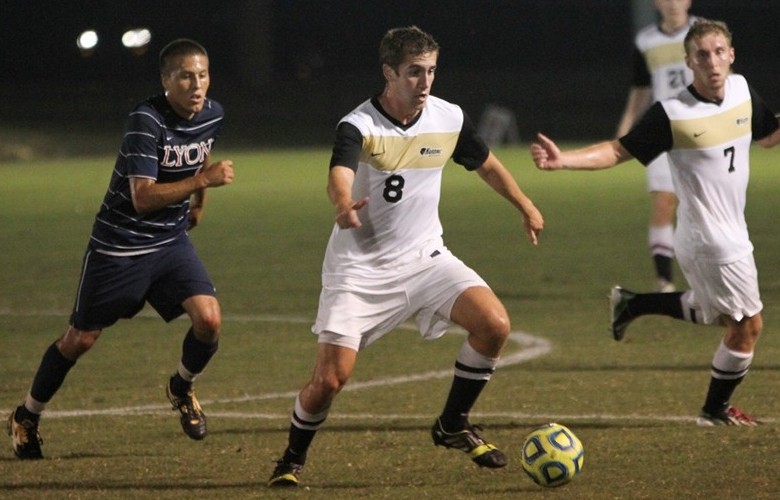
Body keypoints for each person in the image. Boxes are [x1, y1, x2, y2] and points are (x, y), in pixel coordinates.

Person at [268, 26, 544, 487]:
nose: (425, 82)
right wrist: (342, 203)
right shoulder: (359, 124)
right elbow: (339, 172)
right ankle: (290, 460)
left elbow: (487, 163)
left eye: (431, 71)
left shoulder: (448, 117)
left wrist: (526, 205)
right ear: (389, 73)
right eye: (414, 72)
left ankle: (452, 424)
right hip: (360, 268)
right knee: (330, 381)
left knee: (493, 324)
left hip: (426, 258)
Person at [531, 19, 780, 426]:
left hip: (727, 232)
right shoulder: (672, 113)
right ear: (688, 62)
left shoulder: (742, 90)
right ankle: (713, 411)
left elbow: (769, 135)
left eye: (719, 52)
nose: (712, 62)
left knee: (717, 312)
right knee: (747, 325)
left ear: (731, 56)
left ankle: (634, 303)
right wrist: (564, 161)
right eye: (702, 55)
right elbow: (617, 151)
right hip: (711, 240)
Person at [6, 38, 235, 459]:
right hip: (119, 247)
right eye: (186, 75)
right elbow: (142, 197)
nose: (196, 84)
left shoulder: (213, 114)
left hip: (169, 243)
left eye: (202, 74)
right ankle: (27, 414)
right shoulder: (145, 122)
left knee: (210, 319)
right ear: (166, 80)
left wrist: (199, 205)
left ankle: (181, 386)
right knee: (80, 340)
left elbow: (203, 154)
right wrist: (203, 184)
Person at [615, 0, 698, 293]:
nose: (674, 3)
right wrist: (624, 131)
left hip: (700, 131)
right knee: (663, 203)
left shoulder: (703, 33)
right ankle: (664, 281)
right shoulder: (646, 40)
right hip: (661, 130)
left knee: (701, 208)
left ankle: (703, 275)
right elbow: (640, 90)